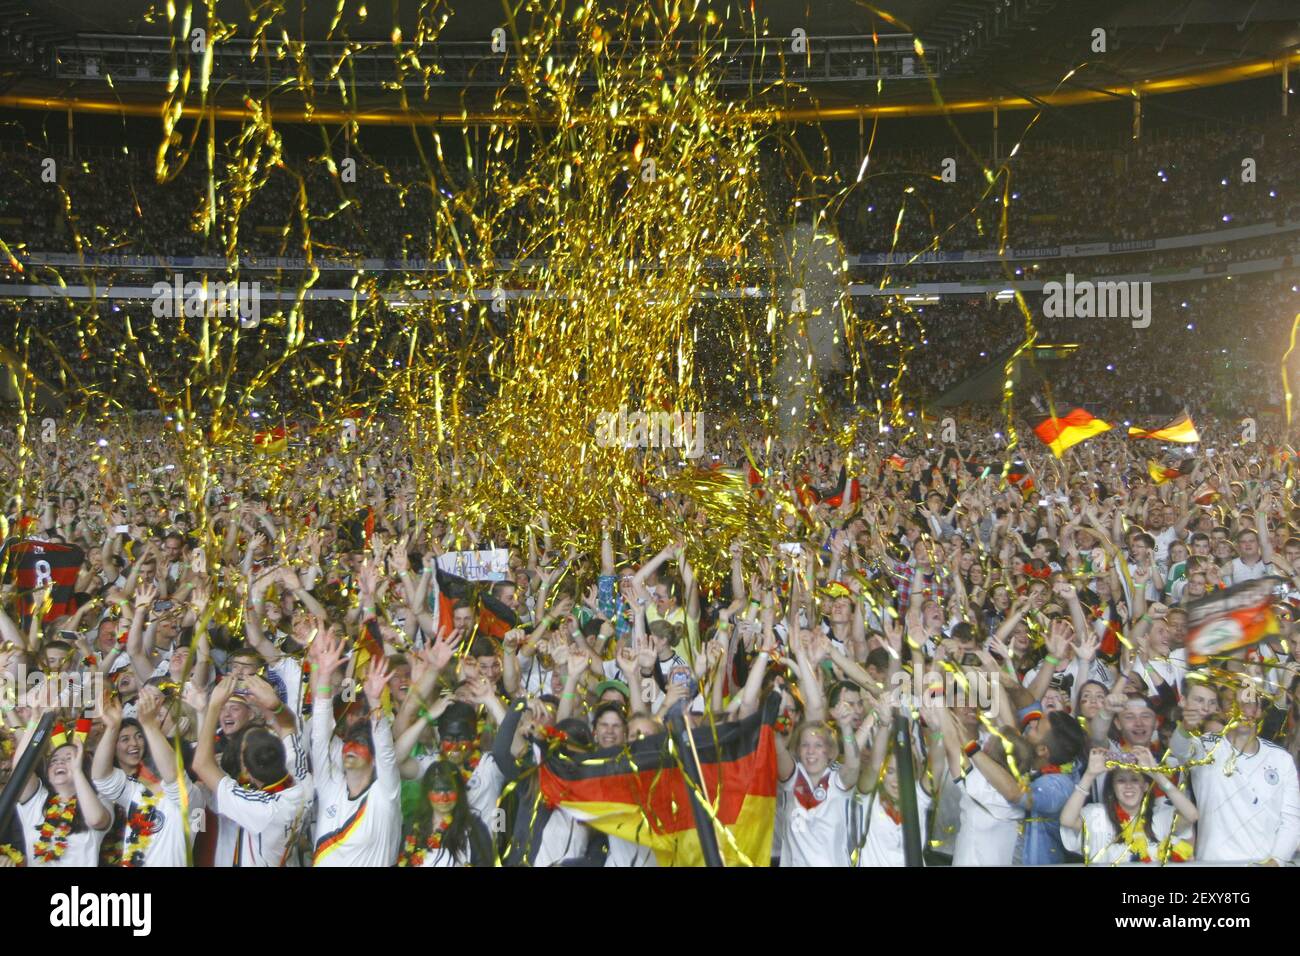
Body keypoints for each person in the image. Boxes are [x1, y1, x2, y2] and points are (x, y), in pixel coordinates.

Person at [1168, 679, 1300, 864]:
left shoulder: (1281, 760)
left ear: (1260, 711)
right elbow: (1179, 749)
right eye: (1234, 705)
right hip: (1213, 863)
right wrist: (1185, 728)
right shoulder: (1206, 746)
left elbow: (1292, 821)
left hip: (1262, 863)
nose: (1243, 712)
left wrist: (1276, 861)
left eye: (1249, 704)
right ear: (1222, 712)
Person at [191, 674, 313, 867]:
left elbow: (201, 764)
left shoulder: (260, 809)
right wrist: (274, 705)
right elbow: (288, 725)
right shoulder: (302, 780)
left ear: (247, 772)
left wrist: (212, 707)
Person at [306, 630, 402, 866]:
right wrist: (323, 675)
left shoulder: (384, 795)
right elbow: (319, 737)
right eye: (350, 741)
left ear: (374, 759)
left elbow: (387, 753)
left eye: (360, 743)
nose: (350, 747)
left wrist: (376, 703)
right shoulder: (331, 789)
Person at [1060, 747, 1199, 864]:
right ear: (1112, 788)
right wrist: (1089, 775)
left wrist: (1157, 775)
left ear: (1145, 787)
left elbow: (1191, 815)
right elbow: (1067, 820)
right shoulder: (1097, 815)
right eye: (1121, 781)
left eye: (1134, 780)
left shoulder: (1160, 816)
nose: (1128, 786)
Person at [9, 712, 112, 866]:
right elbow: (20, 768)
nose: (59, 763)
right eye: (54, 760)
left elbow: (96, 820)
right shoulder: (37, 800)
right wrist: (35, 721)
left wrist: (77, 771)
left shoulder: (100, 800)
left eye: (69, 759)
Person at [397, 760, 494, 867]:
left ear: (459, 792)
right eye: (437, 791)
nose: (444, 798)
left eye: (449, 791)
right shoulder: (413, 827)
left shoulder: (473, 828)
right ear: (427, 793)